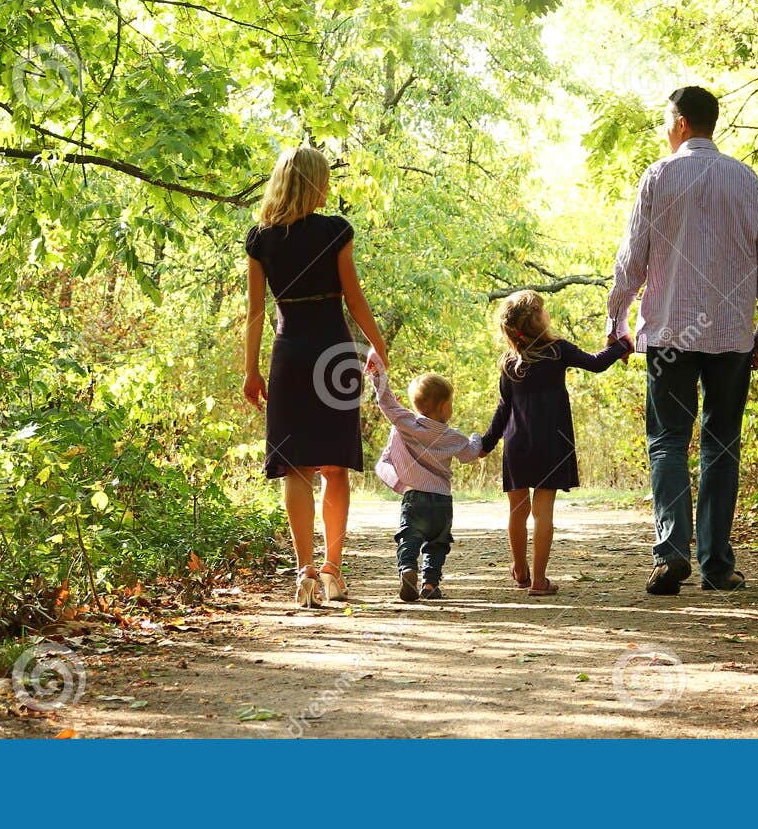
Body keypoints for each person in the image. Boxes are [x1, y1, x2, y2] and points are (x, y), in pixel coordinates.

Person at [607, 86, 758, 596]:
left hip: (669, 335)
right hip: (731, 338)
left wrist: (617, 320)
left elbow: (632, 258)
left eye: (667, 120)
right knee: (721, 446)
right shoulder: (745, 179)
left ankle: (671, 556)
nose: (665, 129)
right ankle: (717, 565)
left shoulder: (658, 177)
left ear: (681, 123)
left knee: (667, 441)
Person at [243, 147, 390, 608]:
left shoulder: (260, 239)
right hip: (333, 353)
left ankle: (304, 570)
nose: (328, 186)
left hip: (289, 355)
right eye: (324, 179)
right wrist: (378, 345)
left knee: (297, 466)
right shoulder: (335, 231)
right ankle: (332, 569)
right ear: (313, 183)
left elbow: (255, 312)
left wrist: (250, 369)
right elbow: (354, 297)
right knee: (334, 465)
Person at [480, 290, 631, 597]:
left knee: (517, 510)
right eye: (543, 310)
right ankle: (539, 580)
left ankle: (519, 569)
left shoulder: (509, 362)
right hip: (551, 443)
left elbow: (504, 407)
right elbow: (596, 363)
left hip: (517, 444)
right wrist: (622, 346)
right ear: (537, 319)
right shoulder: (557, 350)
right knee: (543, 511)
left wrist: (488, 442)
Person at [365, 357, 486, 602]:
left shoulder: (407, 425)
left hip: (414, 498)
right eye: (451, 403)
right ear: (444, 406)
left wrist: (378, 376)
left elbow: (387, 403)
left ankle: (407, 568)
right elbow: (471, 454)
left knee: (409, 537)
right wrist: (476, 437)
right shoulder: (454, 437)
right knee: (438, 543)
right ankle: (430, 584)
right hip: (441, 501)